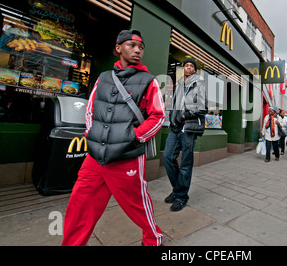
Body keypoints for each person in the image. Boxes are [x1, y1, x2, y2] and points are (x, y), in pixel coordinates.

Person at [62, 29, 165, 246]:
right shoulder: (103, 78)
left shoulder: (149, 81)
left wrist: (133, 138)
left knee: (136, 205)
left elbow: (157, 116)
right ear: (118, 49)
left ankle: (153, 239)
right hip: (95, 157)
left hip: (127, 156)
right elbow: (90, 110)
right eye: (131, 45)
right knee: (79, 204)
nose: (138, 50)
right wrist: (93, 136)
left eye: (141, 47)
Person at [163, 58, 207, 211]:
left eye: (191, 66)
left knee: (186, 164)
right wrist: (173, 118)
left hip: (188, 128)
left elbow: (203, 107)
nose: (188, 67)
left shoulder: (199, 84)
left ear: (194, 69)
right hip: (176, 128)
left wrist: (185, 116)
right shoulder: (180, 83)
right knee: (167, 157)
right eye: (186, 65)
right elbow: (175, 104)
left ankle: (181, 197)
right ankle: (177, 190)